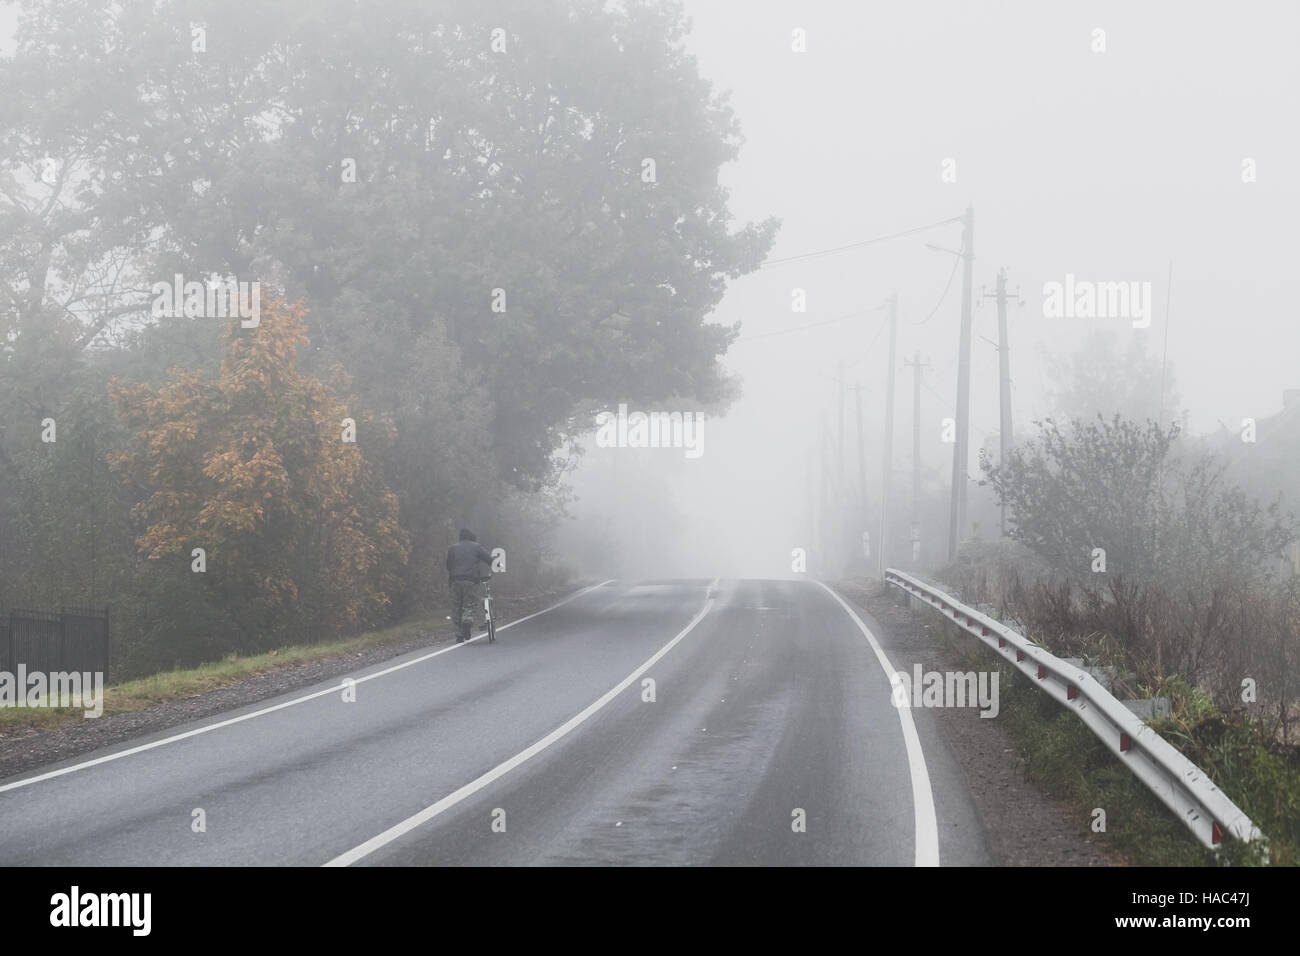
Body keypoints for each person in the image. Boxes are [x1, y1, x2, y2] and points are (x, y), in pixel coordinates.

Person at [446, 528, 493, 643]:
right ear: (472, 537)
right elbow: (489, 559)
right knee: (469, 603)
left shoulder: (452, 548)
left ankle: (459, 635)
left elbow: (448, 565)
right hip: (470, 580)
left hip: (455, 580)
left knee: (456, 607)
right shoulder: (477, 547)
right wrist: (497, 565)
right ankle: (467, 621)